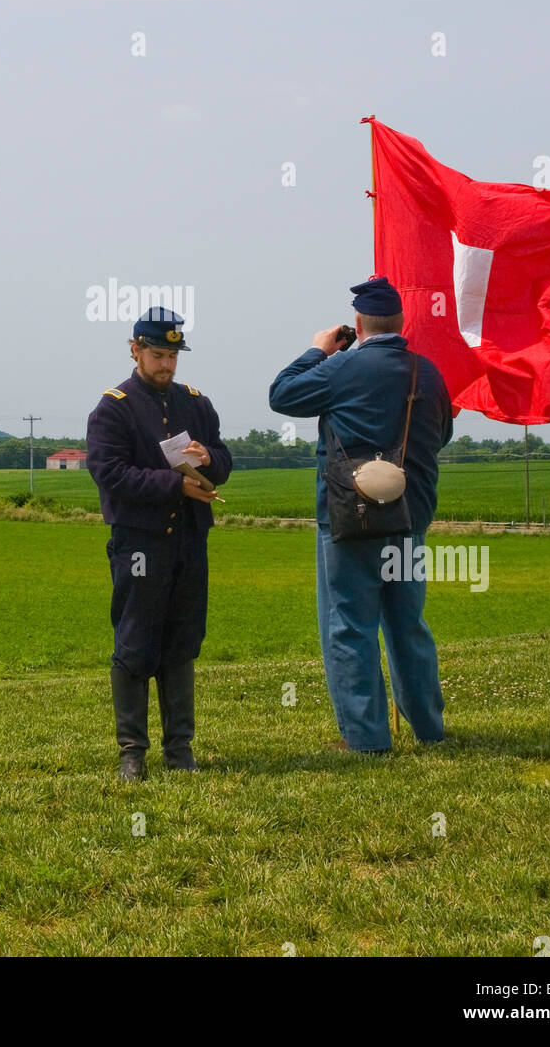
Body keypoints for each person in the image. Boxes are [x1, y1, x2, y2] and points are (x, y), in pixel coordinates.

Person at [268, 276, 453, 754]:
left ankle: (368, 739)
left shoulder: (342, 369)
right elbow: (442, 434)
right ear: (401, 322)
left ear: (357, 324)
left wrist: (318, 351)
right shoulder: (427, 373)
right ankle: (430, 729)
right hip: (410, 519)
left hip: (349, 522)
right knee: (408, 624)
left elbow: (282, 395)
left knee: (350, 623)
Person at [86, 308, 232, 780]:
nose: (166, 364)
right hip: (140, 543)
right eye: (157, 354)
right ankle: (132, 752)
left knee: (182, 642)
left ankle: (180, 750)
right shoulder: (114, 407)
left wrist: (210, 458)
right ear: (135, 350)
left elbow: (225, 461)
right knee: (134, 644)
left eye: (172, 355)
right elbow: (110, 474)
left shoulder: (196, 403)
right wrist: (175, 487)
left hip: (190, 541)